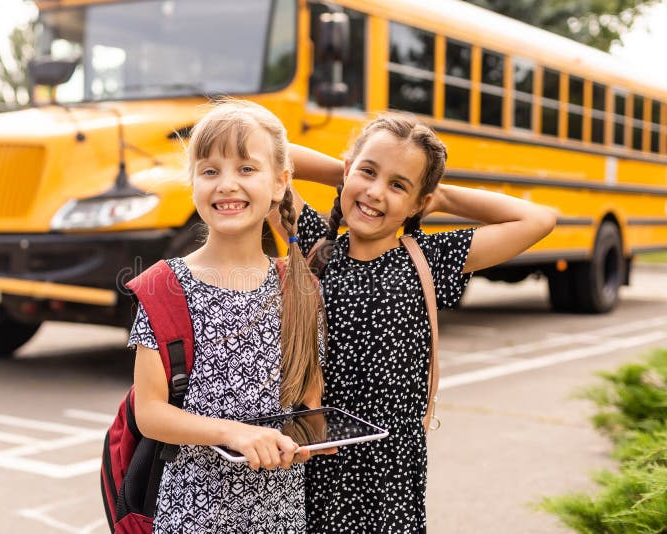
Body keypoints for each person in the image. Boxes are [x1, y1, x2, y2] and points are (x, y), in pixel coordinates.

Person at [276, 114, 557, 533]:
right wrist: (346, 172)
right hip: (315, 465)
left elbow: (538, 219)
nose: (375, 193)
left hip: (391, 480)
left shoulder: (430, 259)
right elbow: (267, 152)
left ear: (417, 203)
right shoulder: (317, 248)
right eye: (368, 172)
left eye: (398, 185)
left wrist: (438, 196)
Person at [130, 100, 327, 533]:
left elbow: (309, 402)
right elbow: (150, 412)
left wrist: (308, 441)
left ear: (280, 185)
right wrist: (233, 433)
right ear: (194, 183)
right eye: (210, 171)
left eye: (246, 169)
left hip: (279, 517)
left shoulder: (299, 288)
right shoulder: (164, 287)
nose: (227, 185)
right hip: (191, 516)